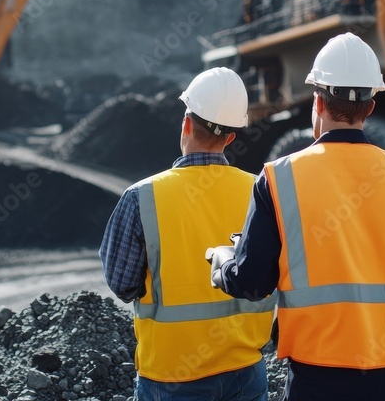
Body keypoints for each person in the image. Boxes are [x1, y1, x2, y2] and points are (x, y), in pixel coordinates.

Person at [208, 33, 385, 401]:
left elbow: (250, 283)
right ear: (370, 107)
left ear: (317, 101)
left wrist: (222, 261)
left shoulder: (280, 178)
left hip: (320, 379)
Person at [100, 67, 275, 401]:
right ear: (230, 137)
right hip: (246, 371)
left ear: (185, 124)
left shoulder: (143, 196)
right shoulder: (261, 191)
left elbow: (123, 284)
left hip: (171, 376)